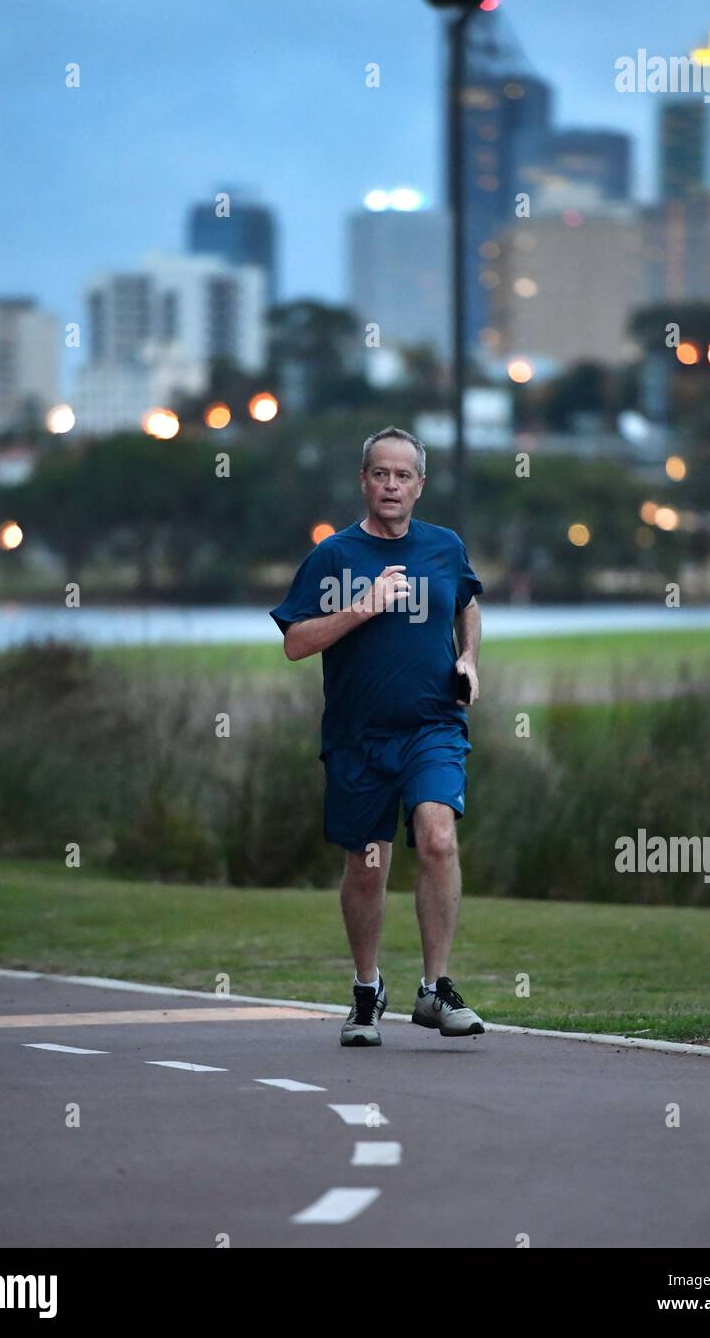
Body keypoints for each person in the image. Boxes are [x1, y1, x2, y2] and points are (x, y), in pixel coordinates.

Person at [269, 426, 485, 1047]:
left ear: (420, 485)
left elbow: (466, 599)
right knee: (367, 867)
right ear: (363, 481)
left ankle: (436, 988)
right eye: (380, 474)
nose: (391, 485)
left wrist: (468, 659)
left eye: (403, 476)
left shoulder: (444, 547)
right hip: (357, 738)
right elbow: (294, 643)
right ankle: (367, 991)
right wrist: (361, 607)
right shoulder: (333, 557)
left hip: (432, 725)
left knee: (438, 837)